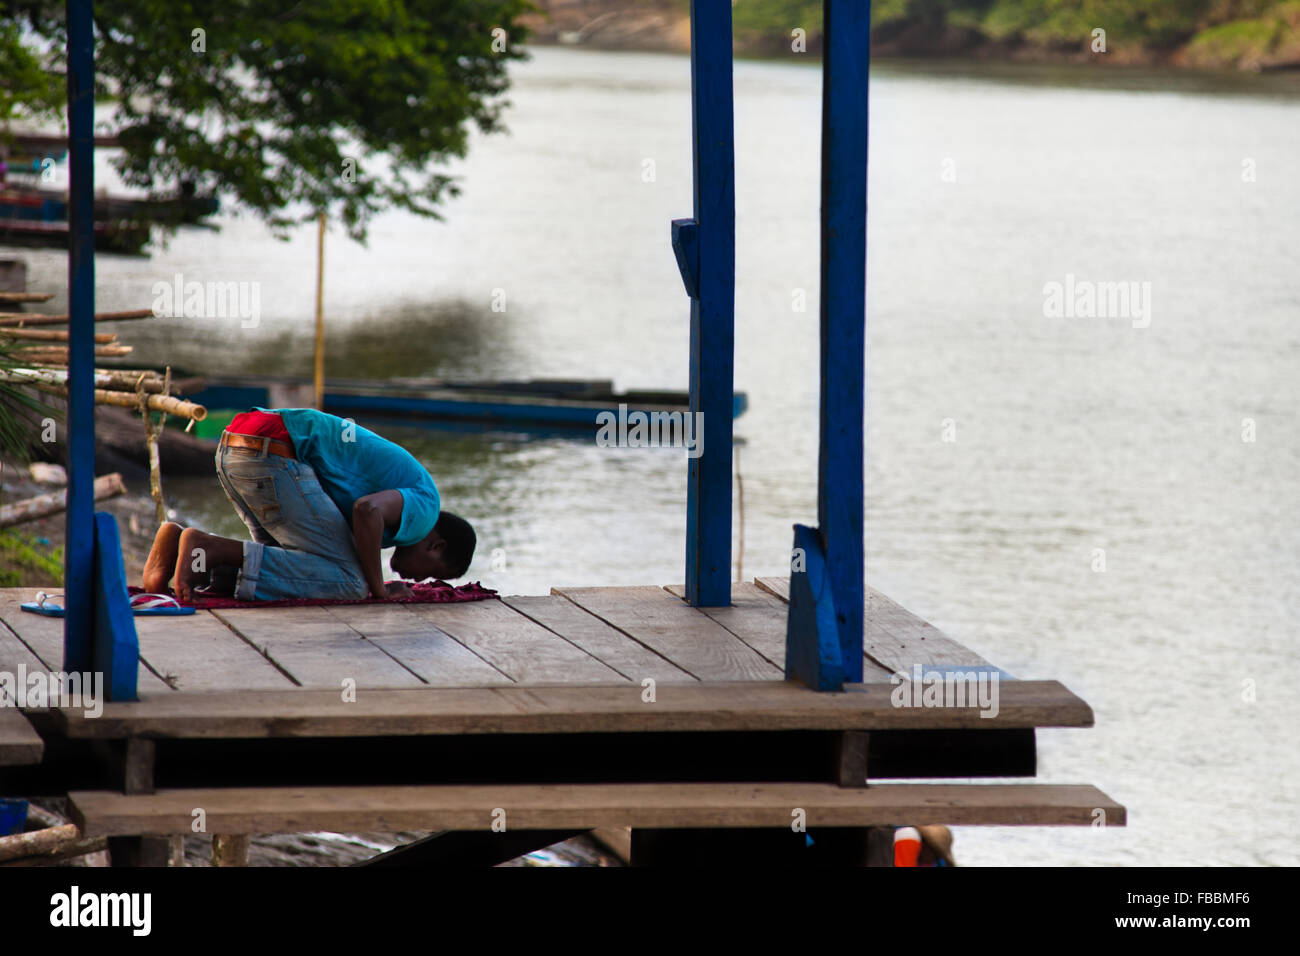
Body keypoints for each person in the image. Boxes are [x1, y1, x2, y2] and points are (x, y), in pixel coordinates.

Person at [142, 407, 476, 602]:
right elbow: (367, 510)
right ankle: (205, 546)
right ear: (436, 545)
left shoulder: (411, 500)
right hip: (274, 451)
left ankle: (184, 552)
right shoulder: (426, 510)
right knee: (351, 585)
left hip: (235, 446)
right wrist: (378, 591)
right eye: (433, 575)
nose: (419, 581)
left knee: (293, 570)